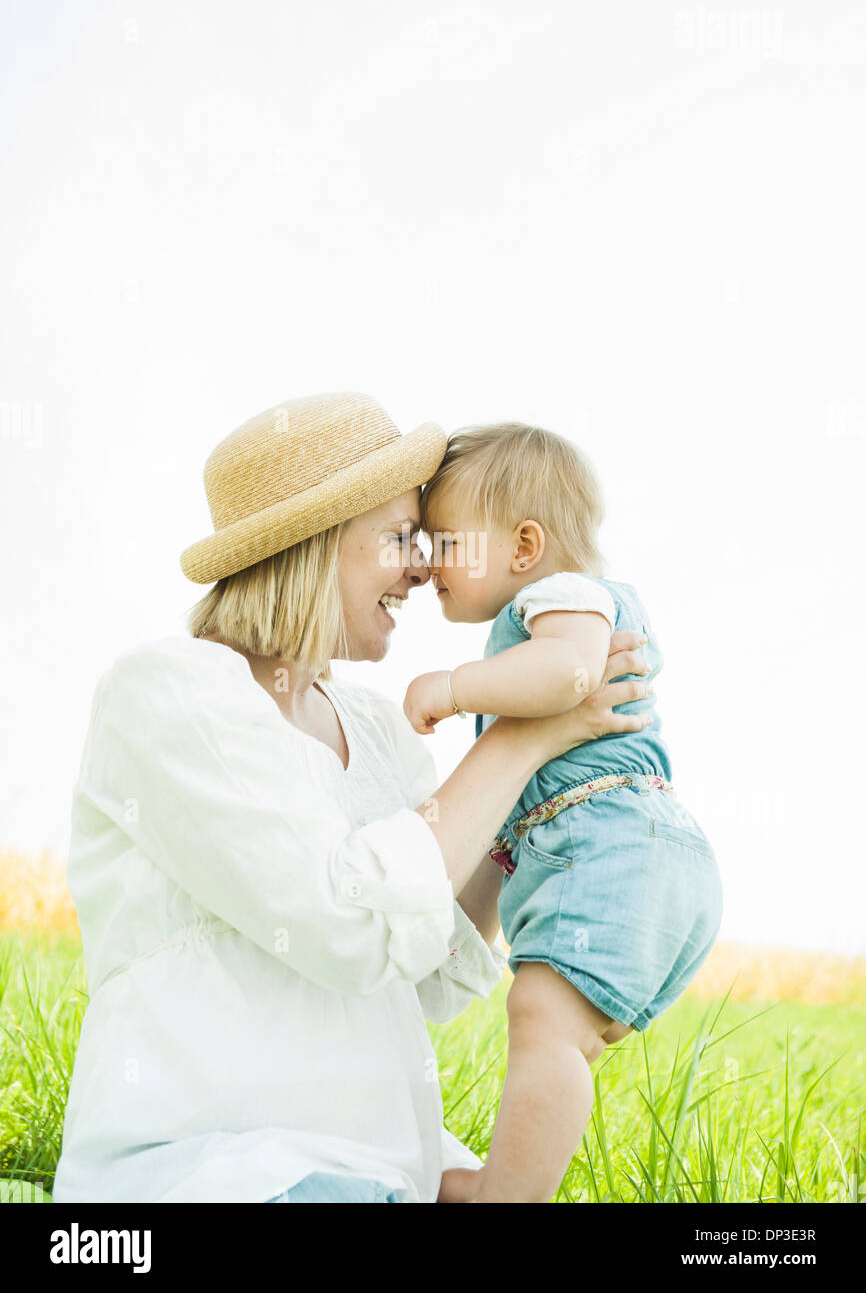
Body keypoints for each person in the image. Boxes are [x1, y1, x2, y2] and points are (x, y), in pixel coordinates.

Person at [52, 392, 653, 1204]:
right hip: (222, 1168)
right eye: (404, 537)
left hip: (381, 1170)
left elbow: (429, 965)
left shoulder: (374, 731)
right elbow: (351, 922)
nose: (422, 566)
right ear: (319, 540)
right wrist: (523, 736)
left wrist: (562, 793)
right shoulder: (171, 692)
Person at [405, 421, 724, 1203]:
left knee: (543, 1019)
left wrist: (452, 688)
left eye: (445, 541)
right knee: (556, 1024)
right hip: (632, 849)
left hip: (612, 844)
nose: (424, 560)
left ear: (523, 547)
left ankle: (504, 1196)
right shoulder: (561, 604)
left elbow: (569, 673)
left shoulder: (564, 596)